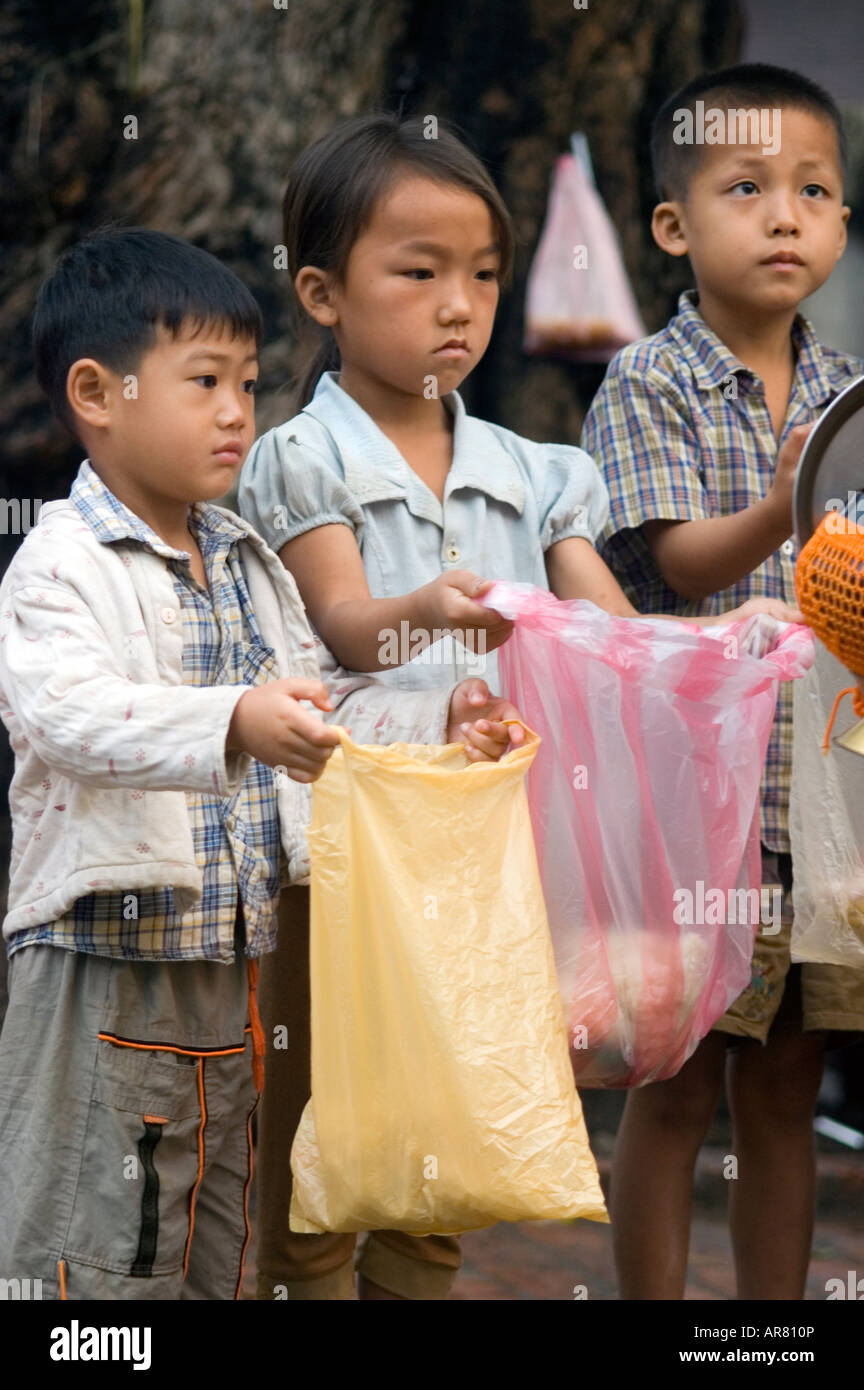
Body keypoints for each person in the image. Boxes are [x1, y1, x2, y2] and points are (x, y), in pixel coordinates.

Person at [237, 113, 799, 1300]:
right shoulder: (301, 457)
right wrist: (439, 611)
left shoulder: (540, 471)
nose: (460, 303)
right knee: (321, 1149)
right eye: (420, 270)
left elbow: (611, 638)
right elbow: (349, 625)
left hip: (480, 865)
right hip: (338, 859)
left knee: (442, 1169)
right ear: (322, 293)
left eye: (484, 274)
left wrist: (734, 640)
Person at [0, 227, 520, 1301]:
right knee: (93, 1245)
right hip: (104, 963)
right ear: (98, 392)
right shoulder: (59, 562)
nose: (239, 409)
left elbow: (317, 708)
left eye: (246, 380)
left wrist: (441, 718)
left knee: (216, 1238)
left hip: (231, 973)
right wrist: (234, 718)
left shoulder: (243, 560)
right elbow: (72, 718)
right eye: (205, 382)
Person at [581, 62, 864, 1300]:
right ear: (673, 225)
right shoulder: (651, 380)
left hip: (824, 805)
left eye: (815, 190)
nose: (787, 215)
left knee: (789, 1087)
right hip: (695, 814)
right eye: (747, 189)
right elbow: (669, 558)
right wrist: (786, 497)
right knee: (679, 1081)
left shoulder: (852, 385)